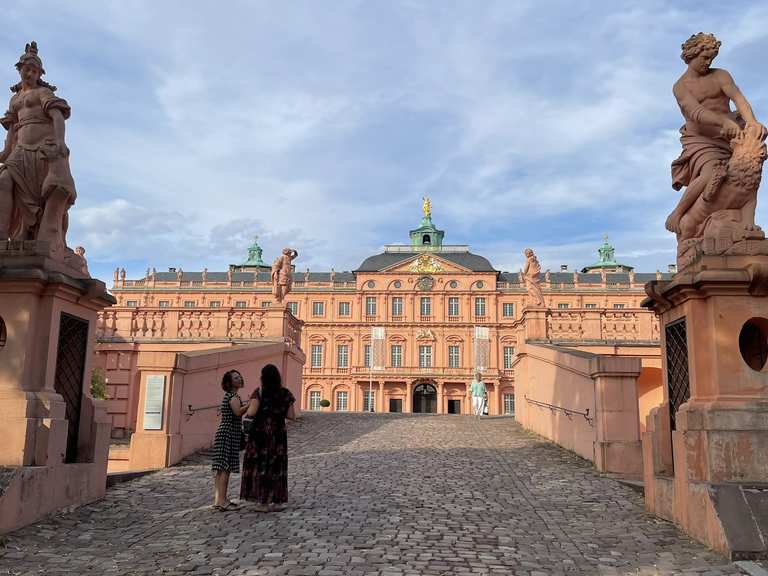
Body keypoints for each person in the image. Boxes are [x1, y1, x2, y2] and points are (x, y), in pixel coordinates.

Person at [666, 32, 767, 236]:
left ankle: (744, 221)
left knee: (748, 175)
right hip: (701, 139)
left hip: (730, 136)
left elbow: (739, 99)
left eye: (712, 58)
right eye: (704, 58)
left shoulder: (721, 75)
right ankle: (677, 214)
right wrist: (723, 121)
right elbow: (696, 113)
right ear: (691, 55)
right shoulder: (681, 87)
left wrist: (753, 122)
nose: (708, 62)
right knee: (712, 172)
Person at [0, 42, 76, 258]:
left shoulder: (42, 93)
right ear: (20, 70)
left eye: (35, 71)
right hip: (20, 151)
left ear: (39, 74)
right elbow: (13, 129)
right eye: (27, 69)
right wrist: (5, 152)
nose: (30, 73)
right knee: (4, 181)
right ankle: (2, 234)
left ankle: (44, 236)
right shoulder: (15, 100)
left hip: (43, 150)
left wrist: (59, 142)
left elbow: (57, 116)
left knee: (46, 195)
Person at [240, 364, 296, 511]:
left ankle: (262, 503)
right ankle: (276, 501)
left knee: (261, 466)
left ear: (262, 377)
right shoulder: (286, 393)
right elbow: (291, 416)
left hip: (260, 434)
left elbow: (251, 412)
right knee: (276, 466)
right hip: (278, 435)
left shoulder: (259, 392)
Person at [211, 370, 248, 511]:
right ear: (230, 382)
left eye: (239, 376)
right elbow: (238, 412)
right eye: (235, 378)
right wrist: (249, 405)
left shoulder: (230, 395)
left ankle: (218, 500)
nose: (239, 379)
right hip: (228, 433)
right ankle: (222, 501)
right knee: (225, 468)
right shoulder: (233, 396)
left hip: (226, 433)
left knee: (220, 469)